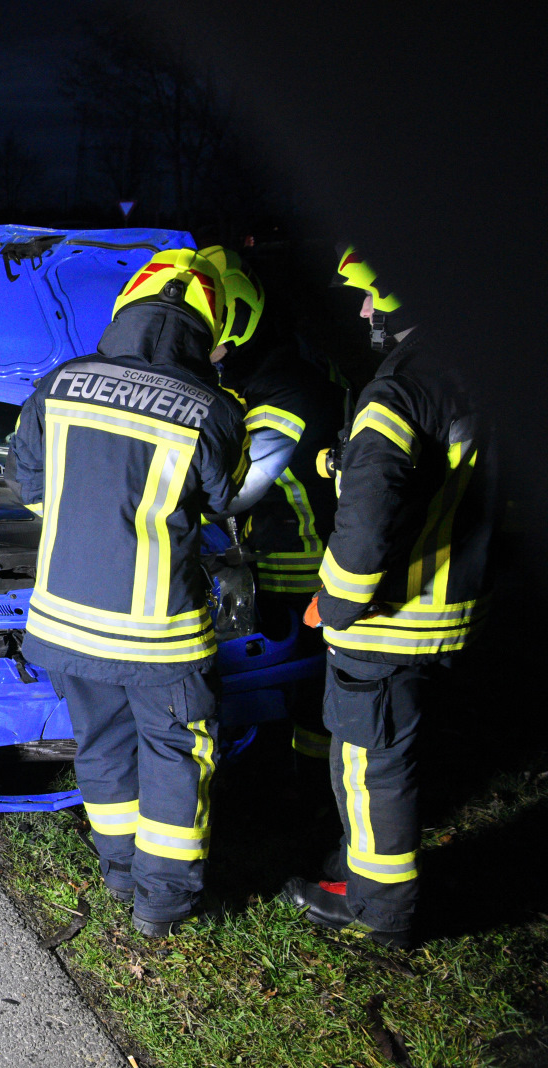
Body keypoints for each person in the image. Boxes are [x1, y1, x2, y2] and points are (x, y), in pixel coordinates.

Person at [8, 248, 248, 937]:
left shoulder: (59, 385)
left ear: (127, 307)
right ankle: (163, 904)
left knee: (103, 745)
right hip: (159, 632)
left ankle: (118, 874)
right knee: (177, 753)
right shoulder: (215, 410)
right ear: (206, 328)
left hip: (63, 622)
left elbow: (30, 488)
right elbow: (223, 499)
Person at [283, 248, 495, 948]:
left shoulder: (398, 388)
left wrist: (334, 604)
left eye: (374, 296)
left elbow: (372, 520)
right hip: (447, 605)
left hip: (387, 620)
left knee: (372, 768)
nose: (366, 310)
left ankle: (378, 909)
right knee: (397, 753)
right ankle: (363, 872)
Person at [204, 246, 350, 773]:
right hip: (279, 557)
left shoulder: (285, 387)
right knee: (289, 678)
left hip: (307, 564)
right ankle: (293, 775)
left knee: (308, 681)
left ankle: (304, 787)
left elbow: (236, 492)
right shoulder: (258, 376)